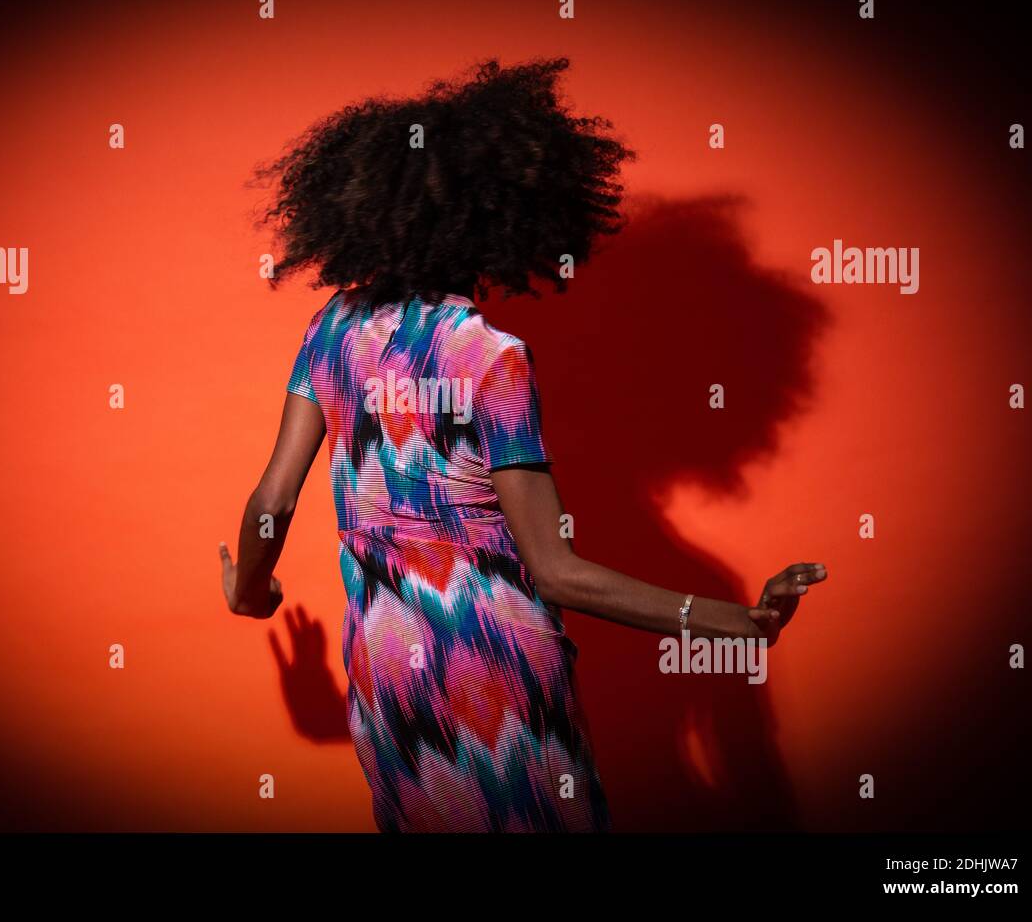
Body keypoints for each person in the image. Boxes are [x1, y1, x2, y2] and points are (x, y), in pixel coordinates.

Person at [219, 57, 827, 831]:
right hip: (498, 664)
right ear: (507, 219)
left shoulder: (333, 326)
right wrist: (741, 622)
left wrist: (249, 592)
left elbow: (273, 499)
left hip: (385, 667)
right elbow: (557, 570)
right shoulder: (489, 354)